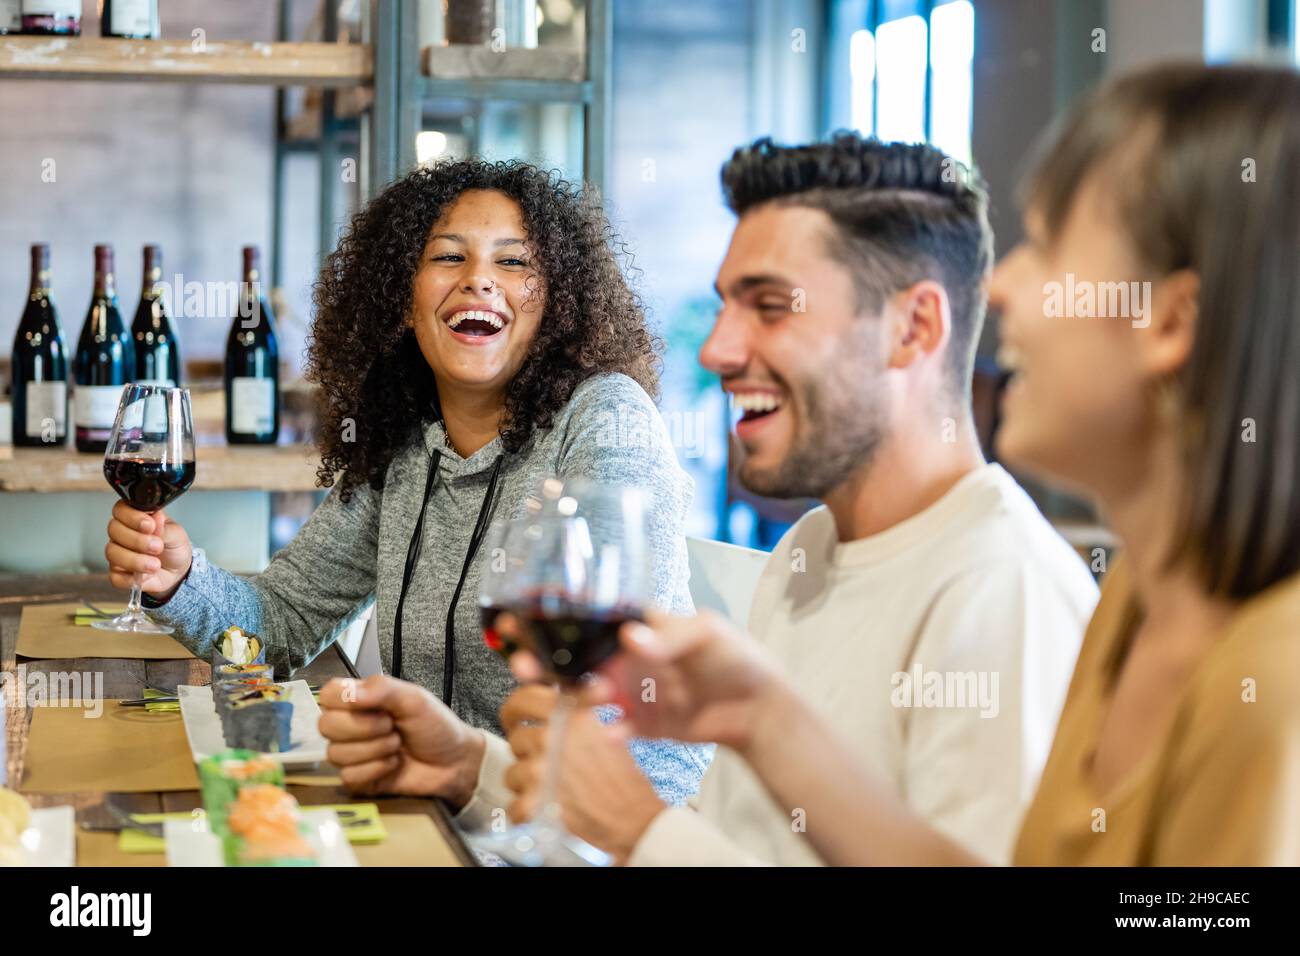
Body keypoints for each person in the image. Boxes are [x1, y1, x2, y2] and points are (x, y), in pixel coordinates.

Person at [536, 63, 1300, 866]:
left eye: (1049, 243)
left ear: (1169, 321)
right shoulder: (1132, 611)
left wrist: (650, 830)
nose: (1000, 285)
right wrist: (756, 720)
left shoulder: (1262, 681)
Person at [321, 134, 1097, 864]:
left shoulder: (1001, 585)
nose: (716, 349)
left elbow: (671, 839)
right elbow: (733, 843)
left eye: (769, 305)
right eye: (726, 304)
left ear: (913, 328)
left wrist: (646, 832)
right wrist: (468, 765)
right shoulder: (808, 556)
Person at [102, 159, 708, 802]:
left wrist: (475, 790)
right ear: (401, 295)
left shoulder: (605, 419)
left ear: (557, 299)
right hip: (438, 805)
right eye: (448, 257)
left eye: (513, 262)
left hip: (597, 821)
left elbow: (605, 661)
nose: (478, 280)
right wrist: (178, 579)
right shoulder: (404, 444)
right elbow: (278, 625)